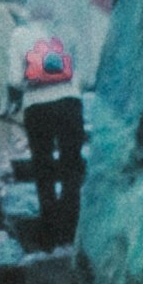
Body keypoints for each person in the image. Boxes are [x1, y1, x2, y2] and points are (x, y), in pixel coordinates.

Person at [14, 20, 86, 254]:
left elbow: (14, 79)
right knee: (71, 166)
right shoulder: (69, 28)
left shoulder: (20, 34)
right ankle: (71, 229)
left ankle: (49, 233)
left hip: (36, 106)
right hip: (69, 102)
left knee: (43, 167)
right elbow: (83, 72)